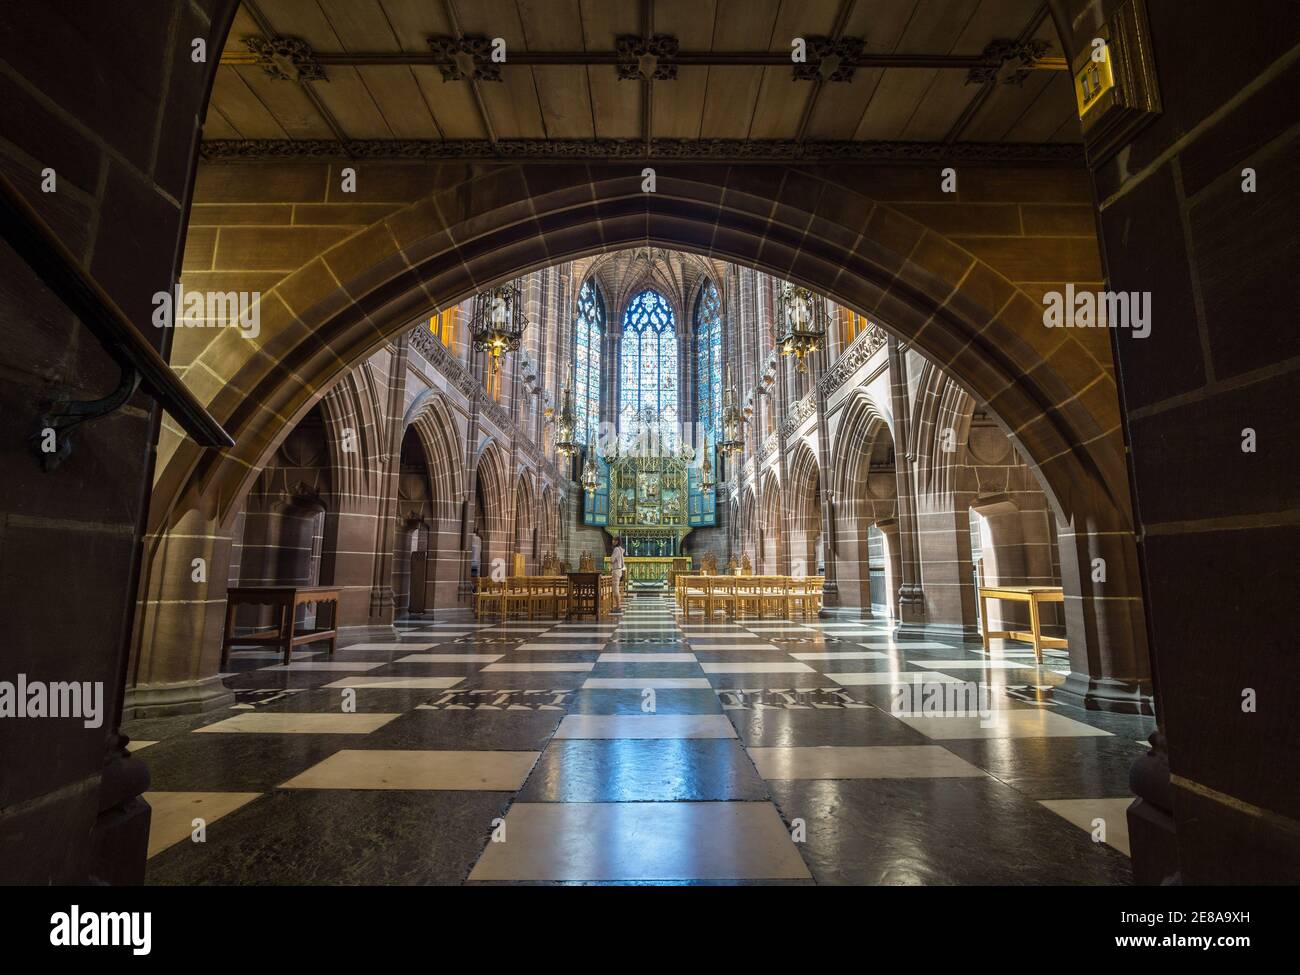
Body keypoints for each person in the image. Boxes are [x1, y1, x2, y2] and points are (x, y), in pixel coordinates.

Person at [610, 537, 625, 610]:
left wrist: (611, 557)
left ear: (617, 541)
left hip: (616, 570)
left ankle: (618, 606)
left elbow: (612, 560)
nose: (612, 541)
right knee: (616, 588)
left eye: (614, 540)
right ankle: (618, 605)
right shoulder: (620, 549)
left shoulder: (616, 549)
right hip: (619, 570)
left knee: (615, 588)